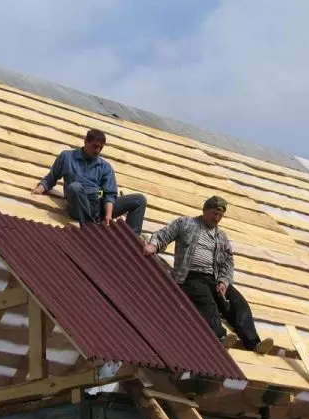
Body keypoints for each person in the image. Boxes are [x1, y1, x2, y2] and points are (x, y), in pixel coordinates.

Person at [143, 195, 274, 354]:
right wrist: (153, 245)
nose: (217, 218)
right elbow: (164, 234)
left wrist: (224, 281)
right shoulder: (186, 223)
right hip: (190, 276)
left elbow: (227, 261)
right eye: (214, 213)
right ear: (205, 210)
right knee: (207, 303)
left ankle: (254, 343)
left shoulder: (221, 236)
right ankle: (220, 338)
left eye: (220, 215)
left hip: (214, 278)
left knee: (238, 303)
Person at [32, 129, 147, 235]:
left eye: (100, 148)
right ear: (86, 142)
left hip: (98, 205)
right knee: (74, 187)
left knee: (139, 200)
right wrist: (40, 188)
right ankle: (89, 227)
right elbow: (51, 178)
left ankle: (132, 239)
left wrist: (108, 215)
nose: (97, 151)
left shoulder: (105, 167)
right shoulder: (67, 157)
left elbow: (109, 195)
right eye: (95, 146)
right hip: (78, 206)